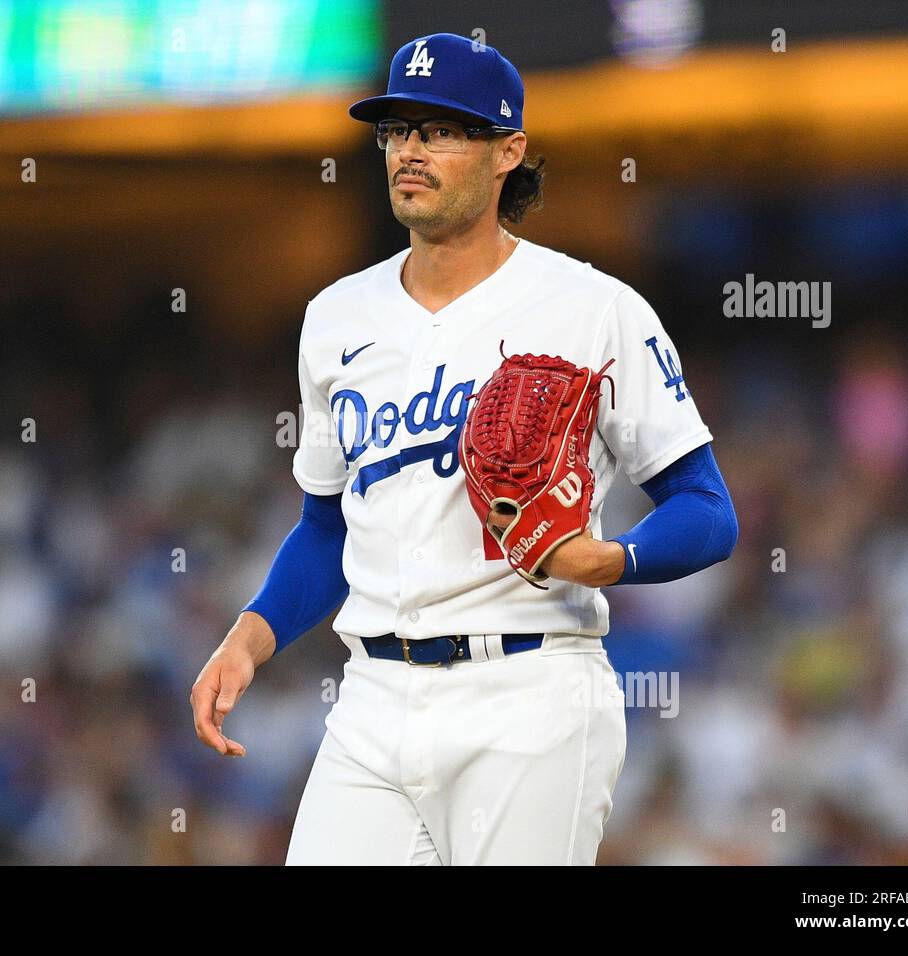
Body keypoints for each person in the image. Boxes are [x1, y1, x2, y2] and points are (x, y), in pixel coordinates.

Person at [190, 32, 737, 865]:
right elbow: (329, 529)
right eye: (397, 130)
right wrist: (250, 636)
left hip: (529, 689)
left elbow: (707, 510)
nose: (410, 150)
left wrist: (611, 560)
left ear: (507, 151)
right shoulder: (336, 317)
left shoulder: (591, 307)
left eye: (441, 130)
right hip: (373, 698)